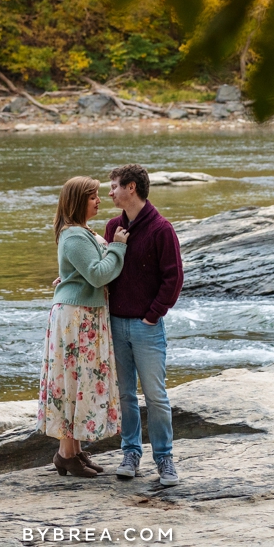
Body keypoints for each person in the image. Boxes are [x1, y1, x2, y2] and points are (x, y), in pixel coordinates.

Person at [37, 175, 130, 478]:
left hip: (85, 314)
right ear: (78, 201)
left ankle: (73, 451)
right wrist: (117, 247)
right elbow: (98, 274)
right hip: (76, 318)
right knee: (72, 381)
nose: (99, 200)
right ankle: (66, 454)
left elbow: (82, 271)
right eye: (92, 196)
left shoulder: (81, 231)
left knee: (77, 380)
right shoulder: (75, 235)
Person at [103, 163, 184, 486]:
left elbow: (173, 279)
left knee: (155, 396)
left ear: (131, 187)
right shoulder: (113, 227)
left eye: (114, 186)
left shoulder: (162, 229)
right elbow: (105, 270)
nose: (110, 192)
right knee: (125, 395)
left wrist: (152, 315)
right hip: (115, 324)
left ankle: (164, 459)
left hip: (147, 327)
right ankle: (131, 453)